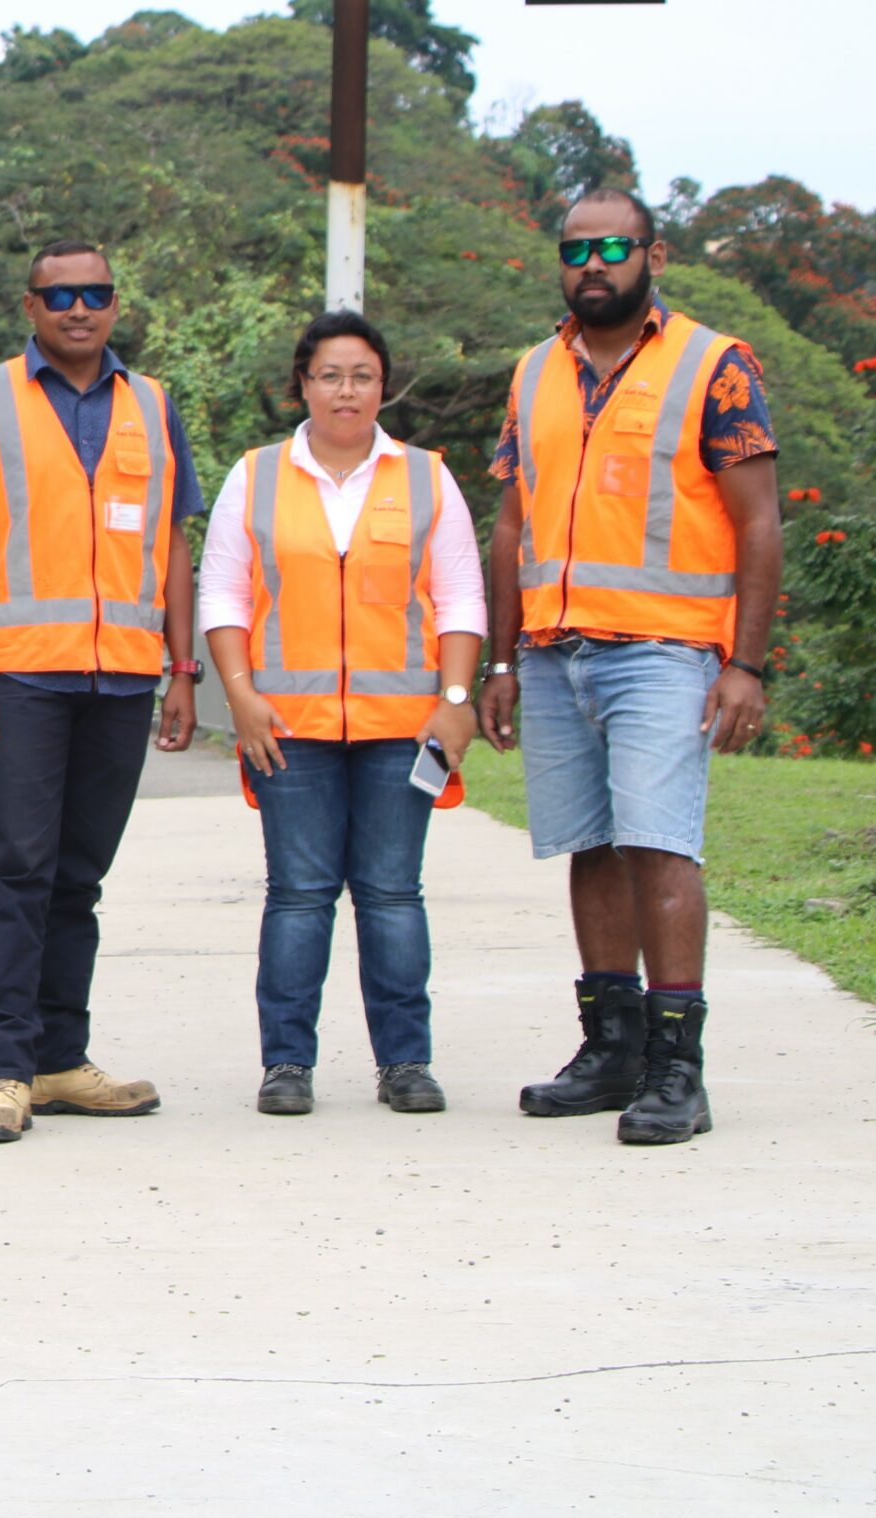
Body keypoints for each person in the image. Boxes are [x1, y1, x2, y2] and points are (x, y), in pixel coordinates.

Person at [479, 187, 782, 1146]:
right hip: (554, 649)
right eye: (576, 249)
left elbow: (759, 522)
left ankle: (676, 1066)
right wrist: (501, 658)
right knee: (592, 847)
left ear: (655, 254)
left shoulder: (713, 364)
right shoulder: (535, 373)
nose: (593, 263)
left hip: (664, 653)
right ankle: (609, 1049)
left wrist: (748, 665)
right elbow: (512, 523)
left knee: (659, 843)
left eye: (614, 246)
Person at [0, 238, 202, 1145]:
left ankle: (59, 1060)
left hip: (121, 679)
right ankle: (4, 1072)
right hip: (20, 680)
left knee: (79, 879)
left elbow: (170, 548)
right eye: (60, 297)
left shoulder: (154, 407)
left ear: (115, 305)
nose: (78, 309)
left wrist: (181, 670)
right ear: (31, 308)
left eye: (95, 294)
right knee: (19, 873)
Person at [200, 311, 484, 1116]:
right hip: (288, 731)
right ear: (303, 384)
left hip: (406, 729)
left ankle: (405, 1064)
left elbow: (461, 595)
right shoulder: (254, 477)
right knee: (298, 895)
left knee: (393, 896)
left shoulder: (427, 477)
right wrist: (241, 695)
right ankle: (286, 1065)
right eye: (329, 375)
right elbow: (222, 590)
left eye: (361, 375)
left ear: (382, 385)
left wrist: (456, 701)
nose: (346, 390)